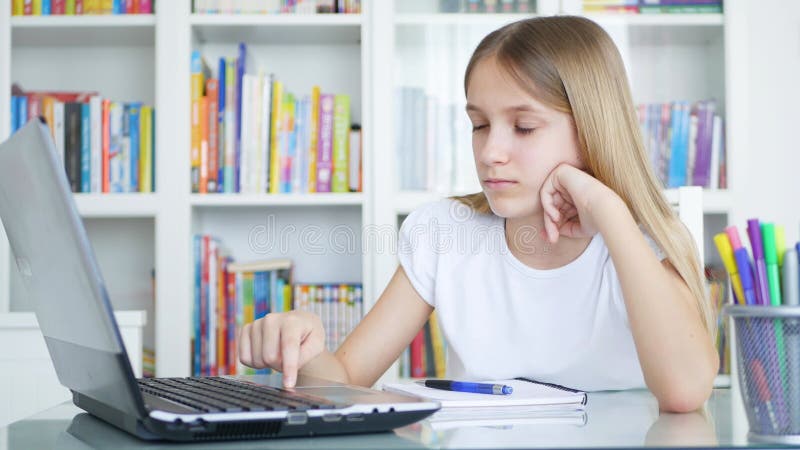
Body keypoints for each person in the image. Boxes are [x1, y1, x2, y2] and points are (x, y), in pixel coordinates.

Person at [238, 15, 719, 413]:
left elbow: (684, 392)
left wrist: (610, 213)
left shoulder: (643, 243)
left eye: (524, 127)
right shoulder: (445, 234)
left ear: (594, 131)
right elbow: (343, 382)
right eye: (480, 125)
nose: (491, 152)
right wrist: (303, 350)